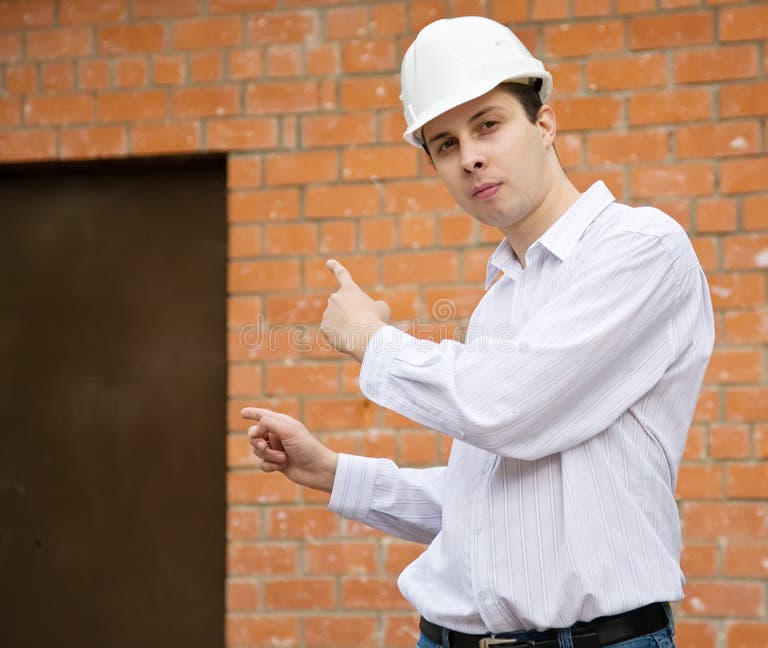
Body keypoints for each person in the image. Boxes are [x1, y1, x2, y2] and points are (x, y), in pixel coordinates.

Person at [244, 16, 714, 648]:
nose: (469, 157)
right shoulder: (503, 298)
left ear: (544, 124)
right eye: (444, 144)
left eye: (488, 125)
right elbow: (490, 507)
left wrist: (372, 342)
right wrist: (333, 471)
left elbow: (506, 408)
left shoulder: (640, 248)